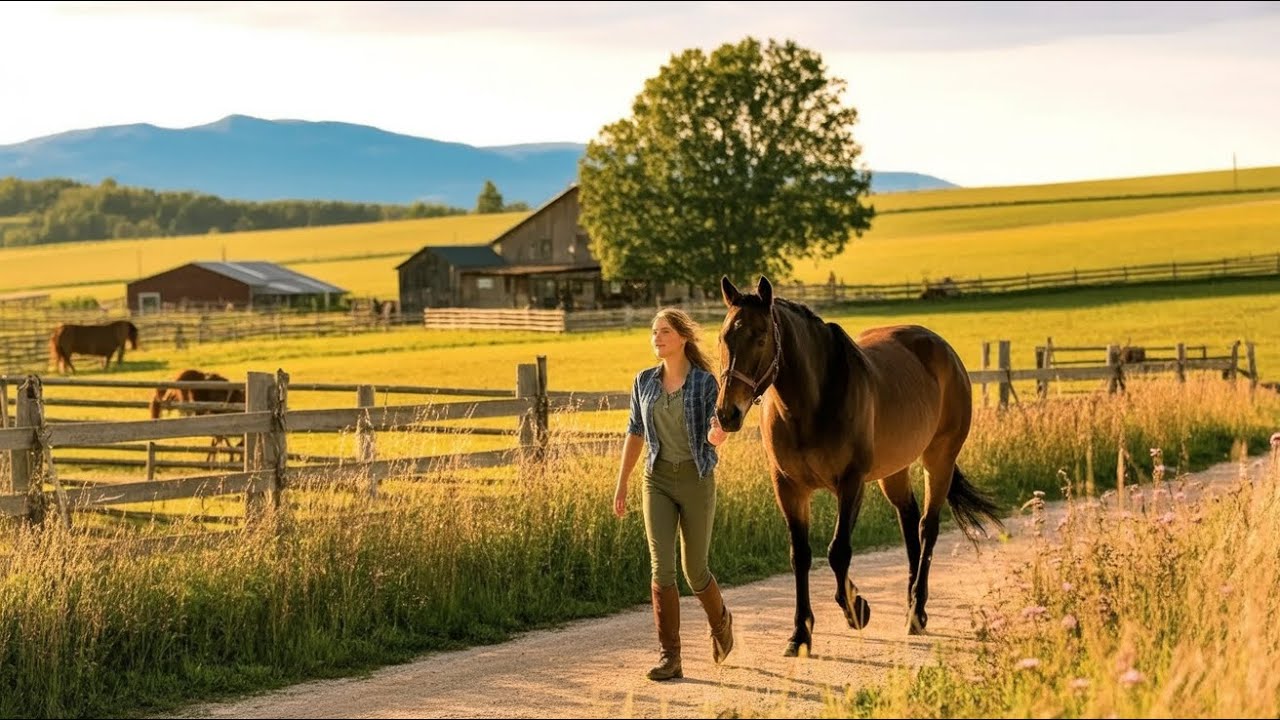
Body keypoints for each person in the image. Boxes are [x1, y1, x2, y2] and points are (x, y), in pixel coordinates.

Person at [613, 307, 733, 681]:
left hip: (696, 480)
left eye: (664, 331)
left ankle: (721, 623)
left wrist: (718, 435)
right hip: (657, 480)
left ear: (682, 337)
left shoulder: (704, 383)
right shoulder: (643, 382)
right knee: (661, 567)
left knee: (695, 570)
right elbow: (635, 434)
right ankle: (670, 656)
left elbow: (717, 426)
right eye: (654, 331)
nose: (657, 337)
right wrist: (623, 482)